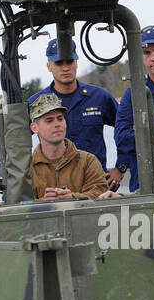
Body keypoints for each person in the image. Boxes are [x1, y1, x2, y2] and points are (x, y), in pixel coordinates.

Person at [28, 38, 127, 188]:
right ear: (49, 66)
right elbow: (16, 145)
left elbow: (127, 129)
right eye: (59, 63)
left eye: (69, 61)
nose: (65, 67)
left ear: (76, 62)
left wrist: (121, 166)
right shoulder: (36, 104)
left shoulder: (99, 97)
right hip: (53, 188)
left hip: (95, 184)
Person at [113, 25, 154, 190]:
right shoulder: (133, 93)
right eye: (146, 53)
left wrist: (143, 127)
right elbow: (122, 138)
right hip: (143, 182)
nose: (153, 58)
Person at [29, 94, 112, 201]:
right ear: (35, 128)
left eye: (60, 119)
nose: (57, 124)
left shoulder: (88, 161)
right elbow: (18, 204)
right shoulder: (27, 168)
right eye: (49, 121)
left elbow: (101, 195)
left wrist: (72, 197)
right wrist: (45, 203)